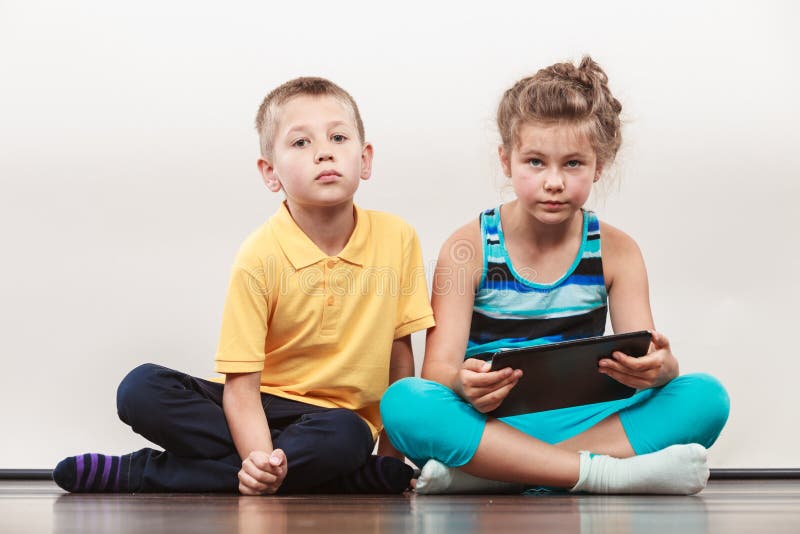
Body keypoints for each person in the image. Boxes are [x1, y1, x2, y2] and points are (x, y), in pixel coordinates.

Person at [53, 77, 434, 494]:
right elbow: (242, 386)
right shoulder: (259, 255)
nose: (324, 151)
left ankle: (145, 473)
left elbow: (401, 356)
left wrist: (389, 456)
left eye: (338, 137)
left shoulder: (397, 238)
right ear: (270, 173)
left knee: (345, 436)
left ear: (365, 159)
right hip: (255, 406)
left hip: (333, 422)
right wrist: (257, 459)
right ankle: (331, 477)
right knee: (140, 388)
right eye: (301, 143)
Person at [380, 57, 730, 495]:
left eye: (573, 164)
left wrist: (661, 370)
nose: (554, 182)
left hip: (583, 415)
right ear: (506, 161)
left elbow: (641, 353)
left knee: (705, 397)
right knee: (404, 403)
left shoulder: (617, 251)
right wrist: (462, 384)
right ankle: (602, 472)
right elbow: (438, 371)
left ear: (599, 166)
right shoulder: (467, 247)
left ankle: (496, 474)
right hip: (491, 418)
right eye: (535, 162)